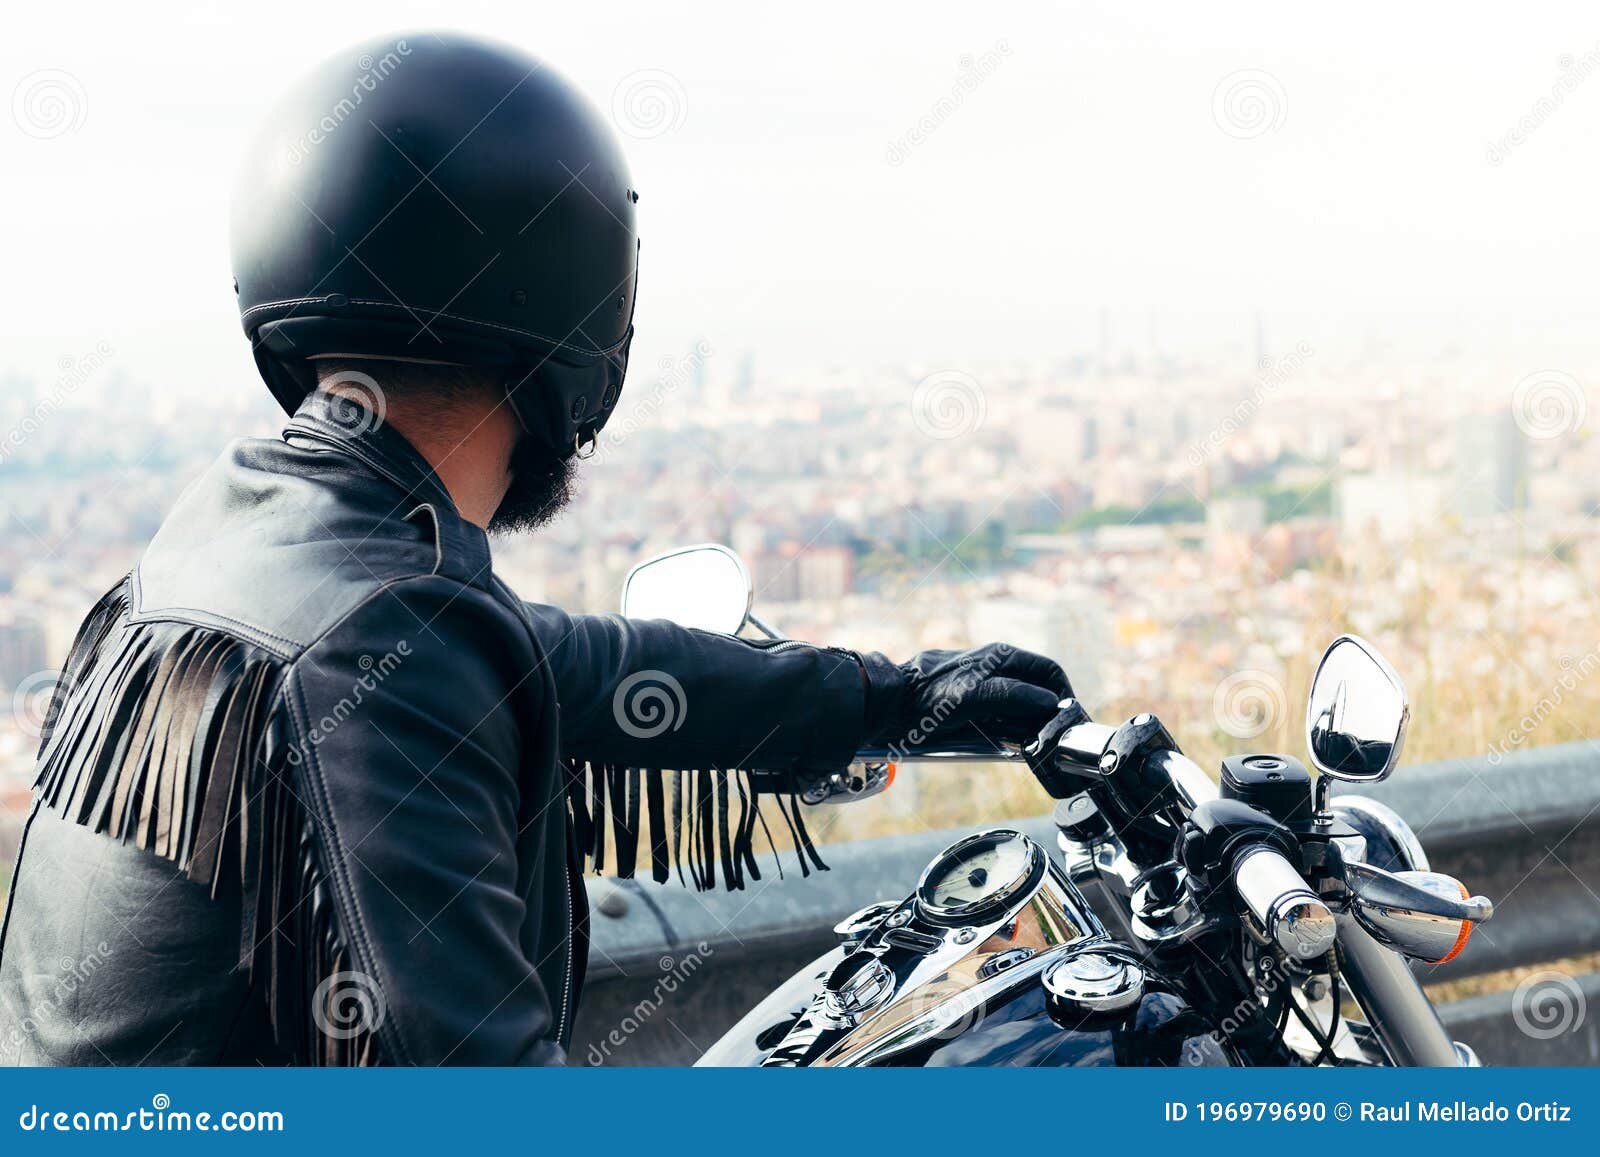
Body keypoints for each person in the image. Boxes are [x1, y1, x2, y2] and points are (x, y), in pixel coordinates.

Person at [0, 32, 1071, 1066]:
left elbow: (565, 663)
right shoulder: (379, 629)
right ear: (582, 310)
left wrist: (888, 697)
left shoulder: (237, 542)